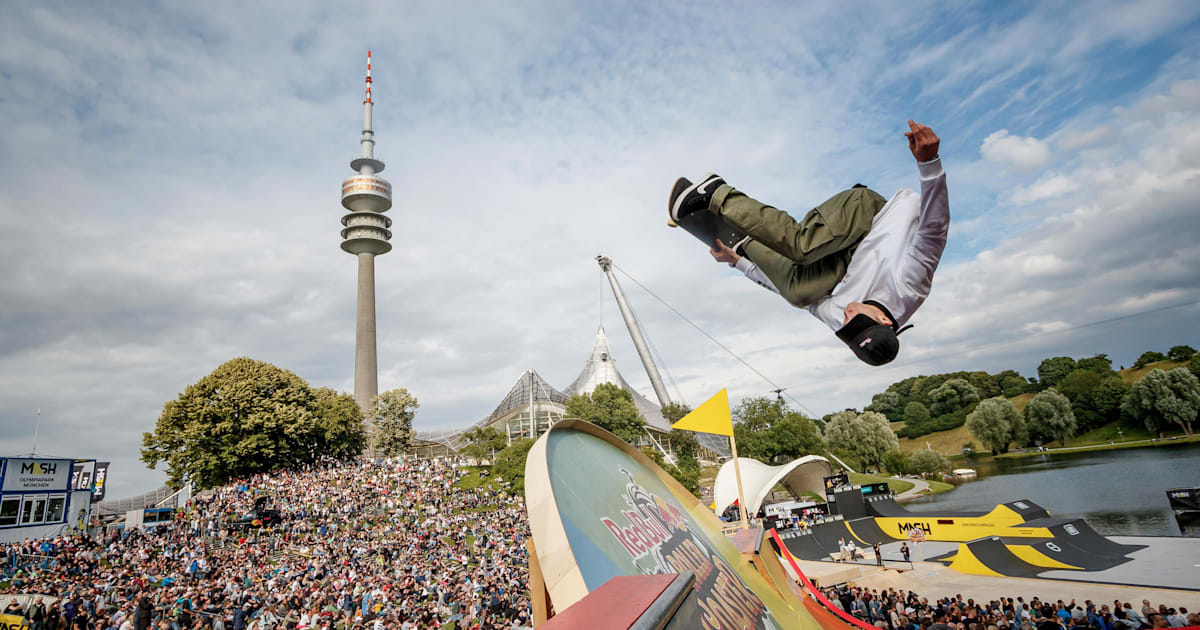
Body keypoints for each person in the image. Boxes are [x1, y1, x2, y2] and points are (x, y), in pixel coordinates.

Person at [669, 120, 948, 366]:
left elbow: (786, 289)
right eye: (856, 317)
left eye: (847, 325)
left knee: (800, 295)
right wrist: (929, 163)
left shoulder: (840, 319)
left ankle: (744, 242)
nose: (848, 312)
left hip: (846, 253)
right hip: (868, 214)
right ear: (886, 320)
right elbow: (933, 230)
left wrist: (739, 262)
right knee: (803, 248)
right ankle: (716, 192)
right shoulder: (910, 287)